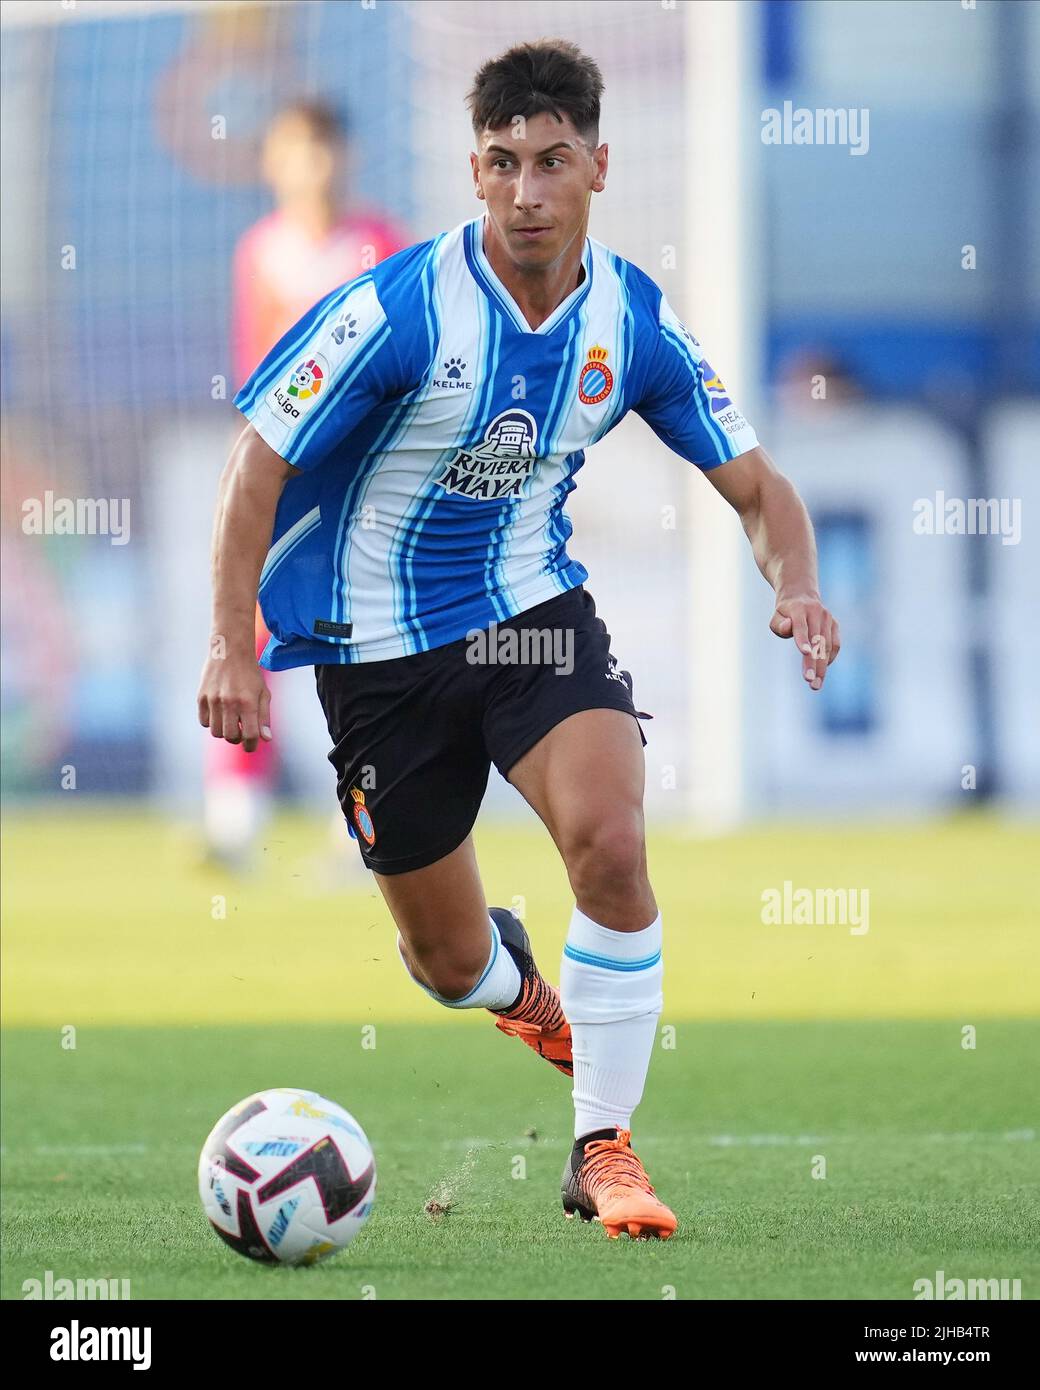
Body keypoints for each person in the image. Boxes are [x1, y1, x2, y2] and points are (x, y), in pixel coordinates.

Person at [197, 40, 840, 1240]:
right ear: (473, 171)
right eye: (501, 164)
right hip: (373, 658)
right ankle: (515, 981)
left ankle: (603, 1147)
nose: (526, 192)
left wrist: (794, 585)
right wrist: (232, 644)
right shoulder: (399, 307)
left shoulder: (630, 322)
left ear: (599, 164)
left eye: (552, 163)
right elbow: (256, 462)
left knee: (609, 839)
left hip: (527, 619)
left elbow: (757, 490)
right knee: (444, 966)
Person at [204, 100, 407, 868]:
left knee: (361, 649)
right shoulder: (259, 252)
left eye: (323, 148)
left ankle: (370, 823)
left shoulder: (380, 245)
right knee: (253, 633)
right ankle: (235, 818)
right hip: (285, 480)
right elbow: (255, 369)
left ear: (344, 157)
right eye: (296, 149)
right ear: (273, 163)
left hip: (362, 482)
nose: (312, 165)